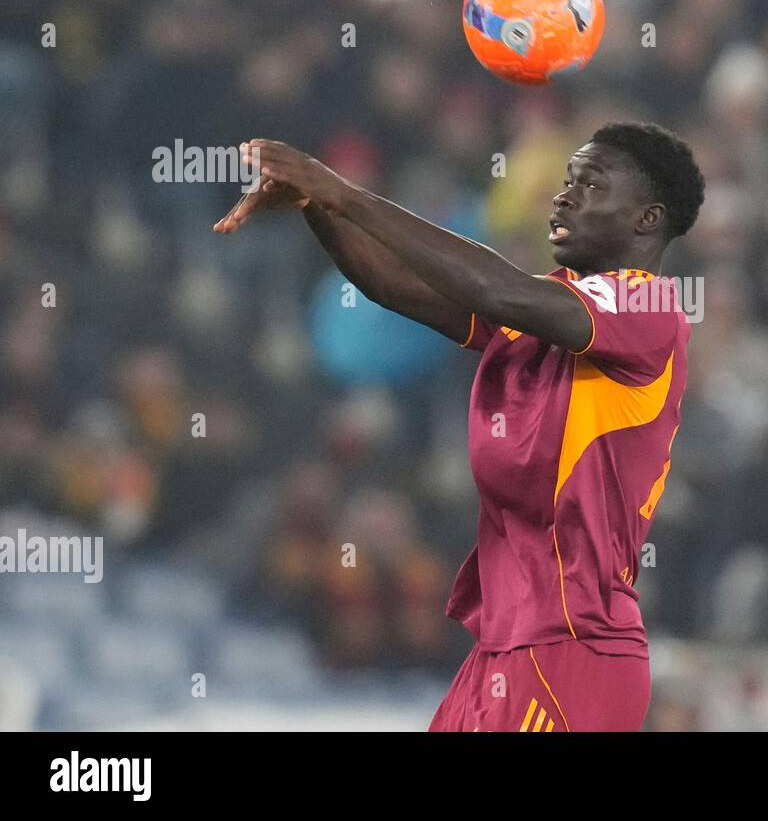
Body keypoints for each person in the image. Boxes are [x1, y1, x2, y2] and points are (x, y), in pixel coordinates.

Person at [214, 122, 705, 731]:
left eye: (592, 185)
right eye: (567, 182)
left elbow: (496, 290)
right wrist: (318, 205)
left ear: (647, 220)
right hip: (501, 647)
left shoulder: (648, 307)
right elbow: (397, 285)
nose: (563, 197)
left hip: (574, 651)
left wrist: (345, 194)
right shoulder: (547, 310)